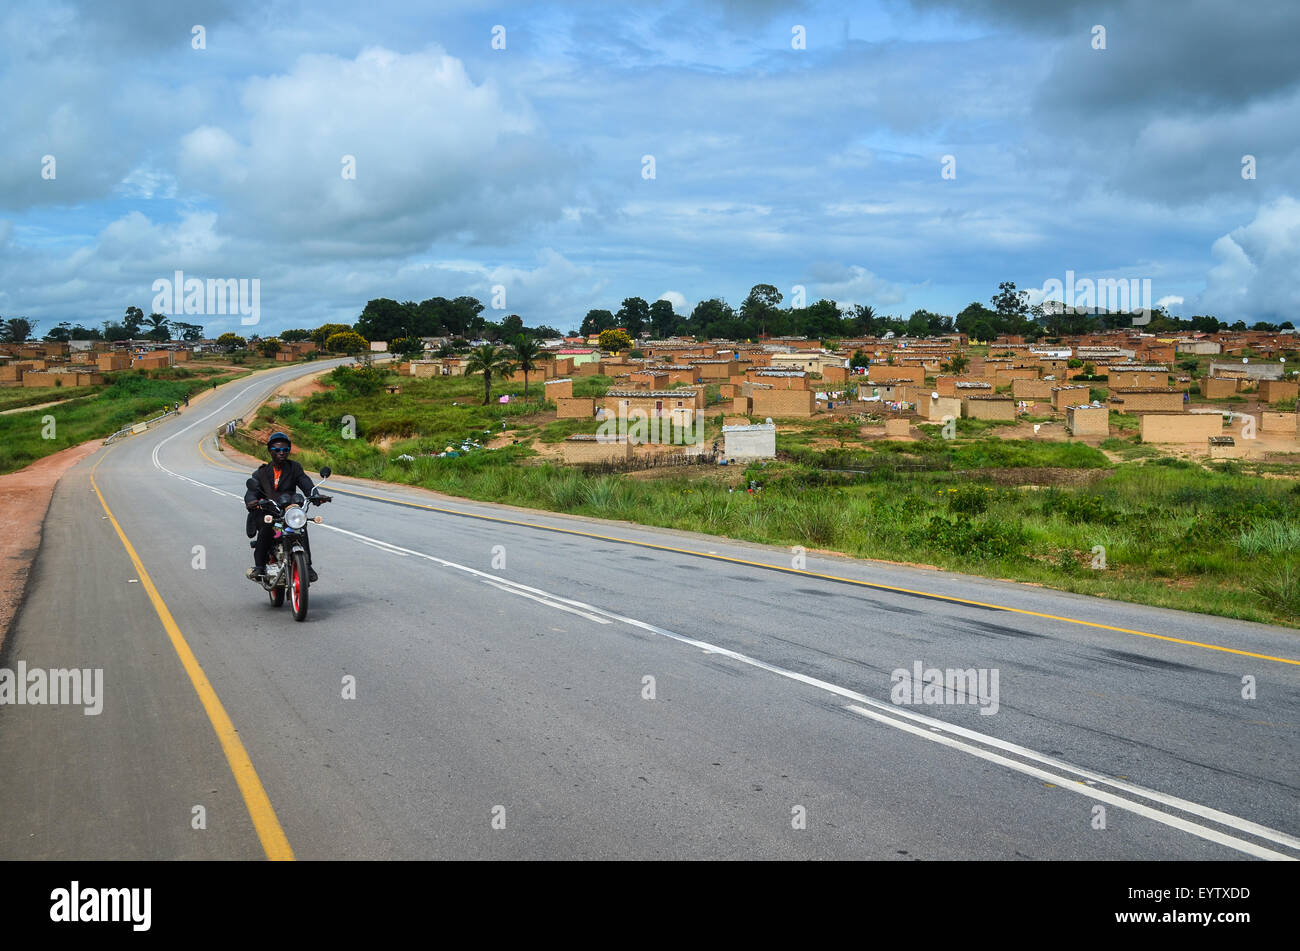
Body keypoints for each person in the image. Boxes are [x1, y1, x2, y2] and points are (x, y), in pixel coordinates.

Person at [243, 432, 330, 582]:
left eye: (285, 450)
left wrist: (316, 496)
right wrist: (252, 501)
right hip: (268, 511)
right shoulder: (261, 473)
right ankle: (259, 567)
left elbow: (306, 484)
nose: (281, 453)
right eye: (277, 450)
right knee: (267, 528)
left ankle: (307, 566)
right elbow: (251, 492)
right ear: (270, 451)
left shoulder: (295, 468)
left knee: (301, 528)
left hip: (289, 510)